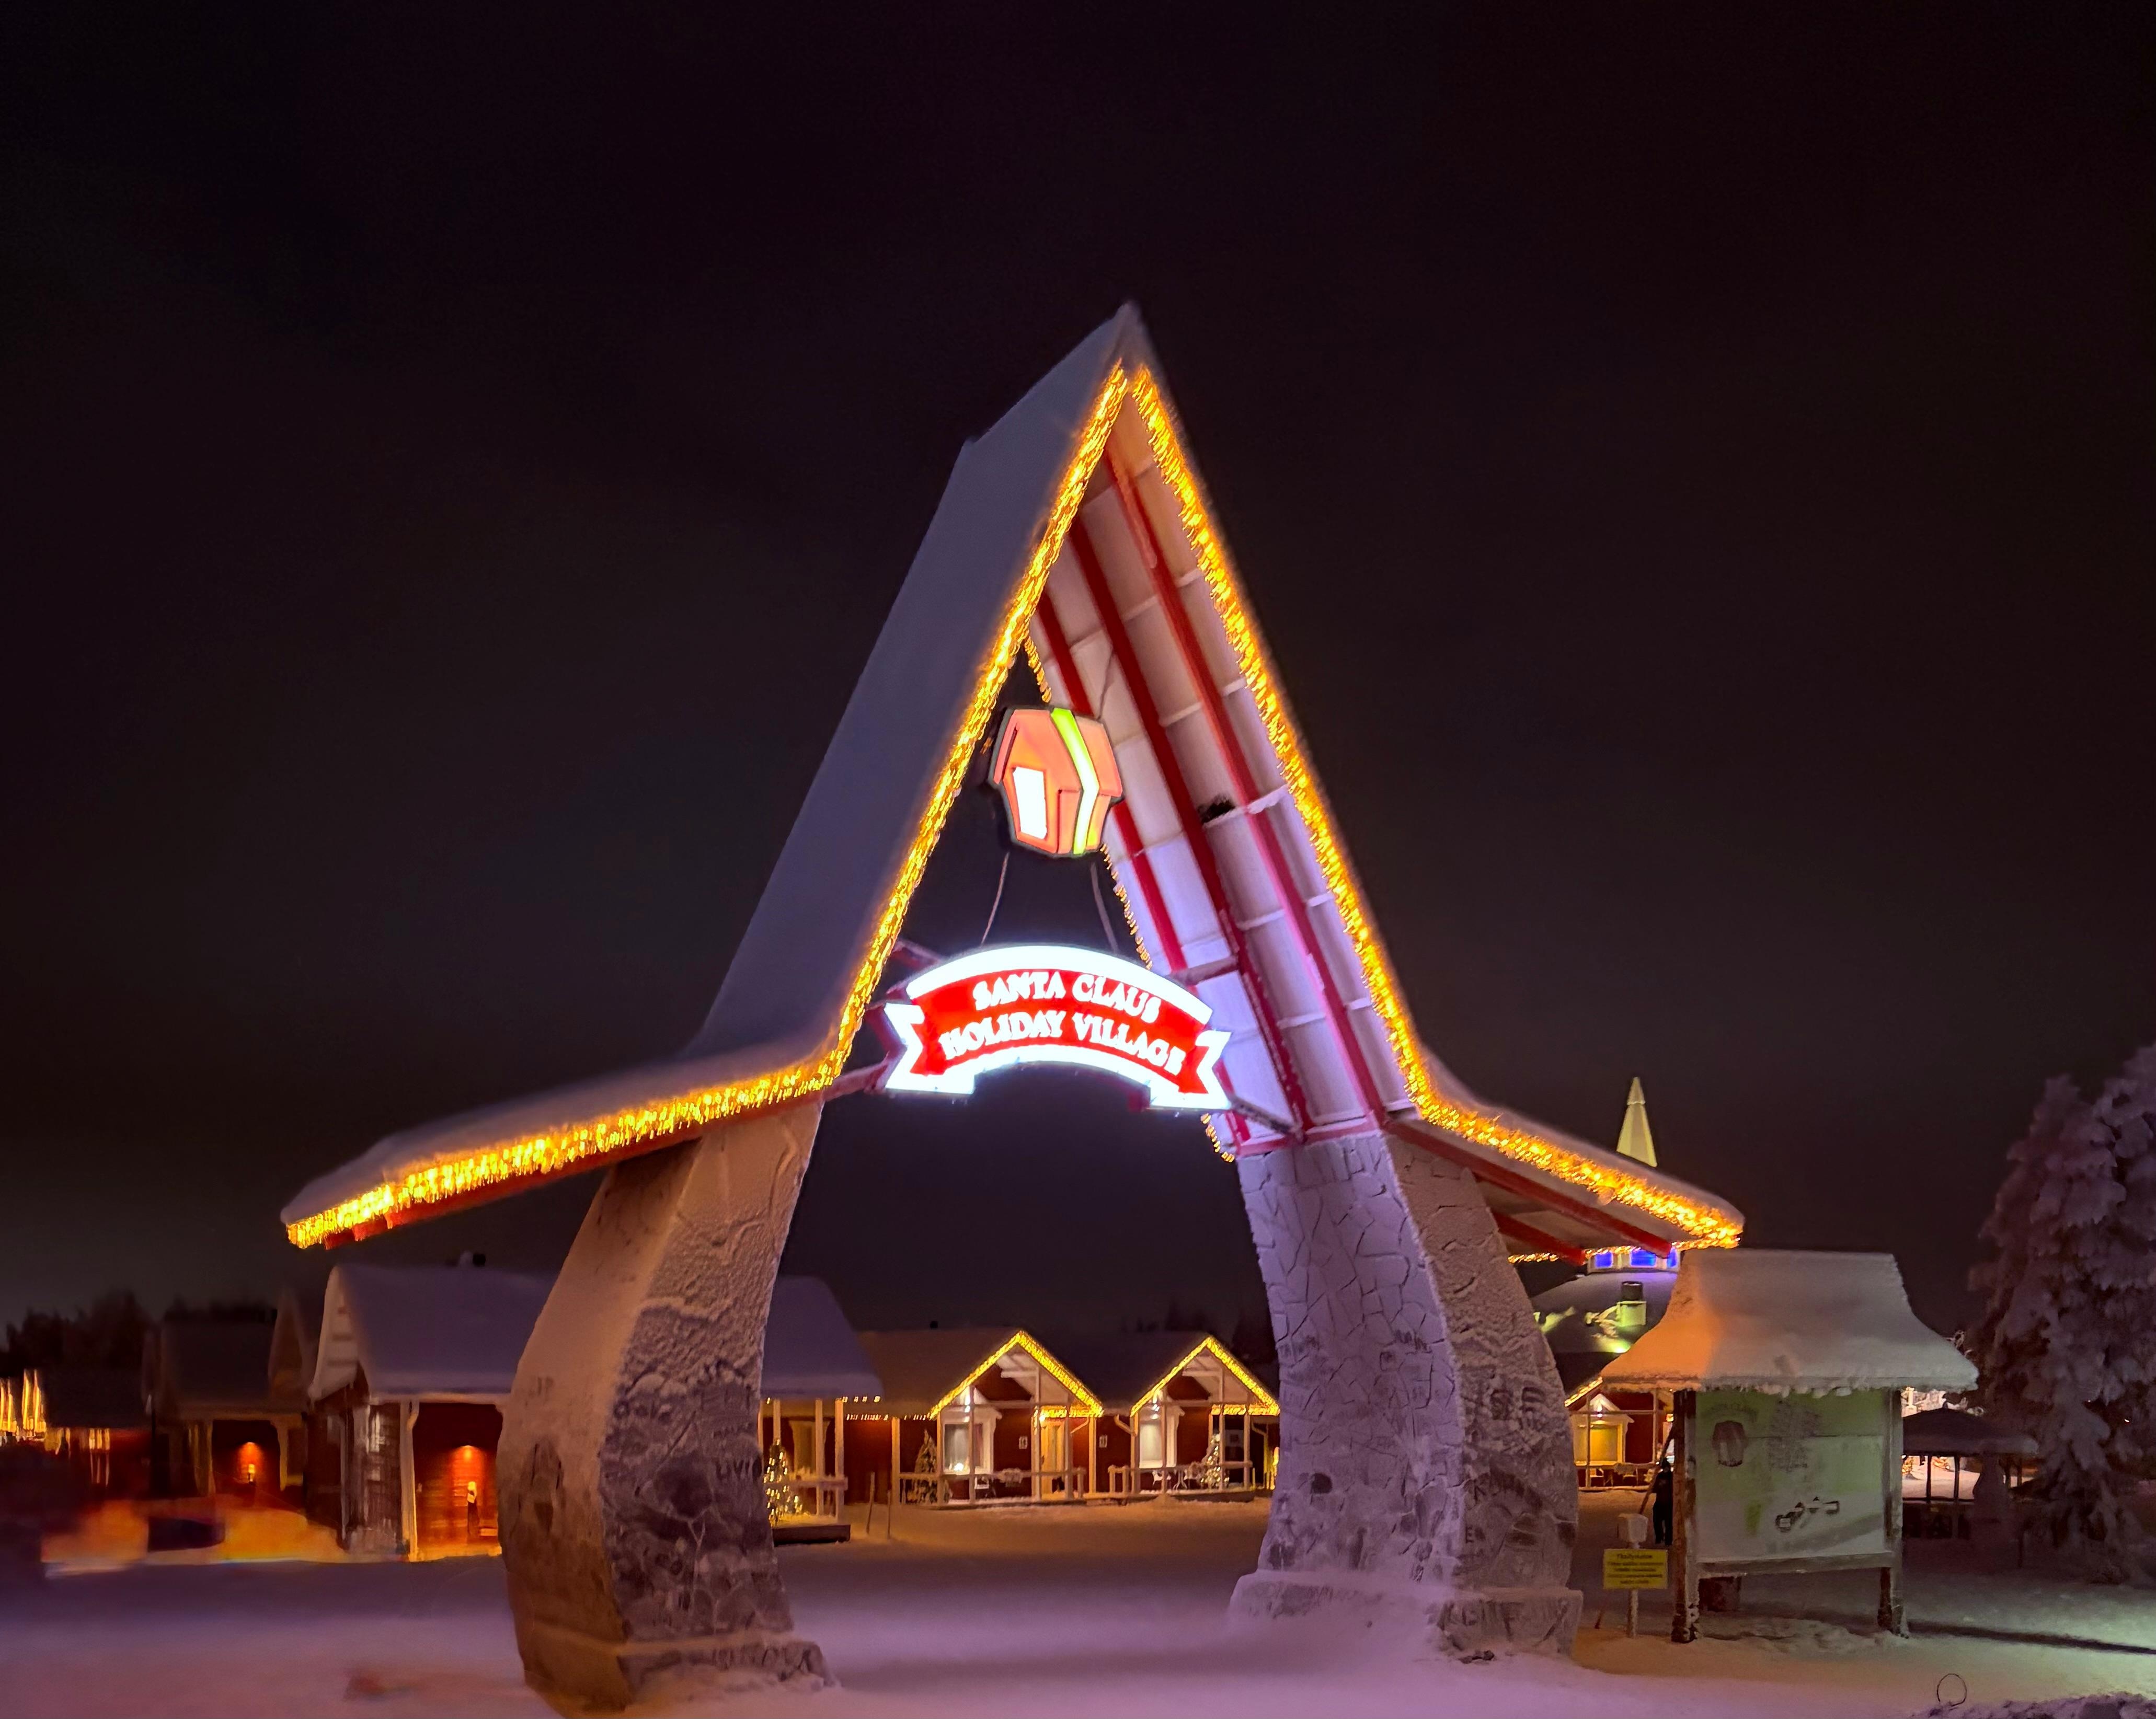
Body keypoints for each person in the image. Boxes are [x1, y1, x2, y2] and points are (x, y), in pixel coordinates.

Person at [1649, 1452, 1674, 1547]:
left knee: (1668, 1523)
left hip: (1668, 1502)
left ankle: (1667, 1540)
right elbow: (1654, 1488)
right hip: (1661, 1502)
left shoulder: (1671, 1477)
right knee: (1659, 1522)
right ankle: (1660, 1538)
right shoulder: (1660, 1476)